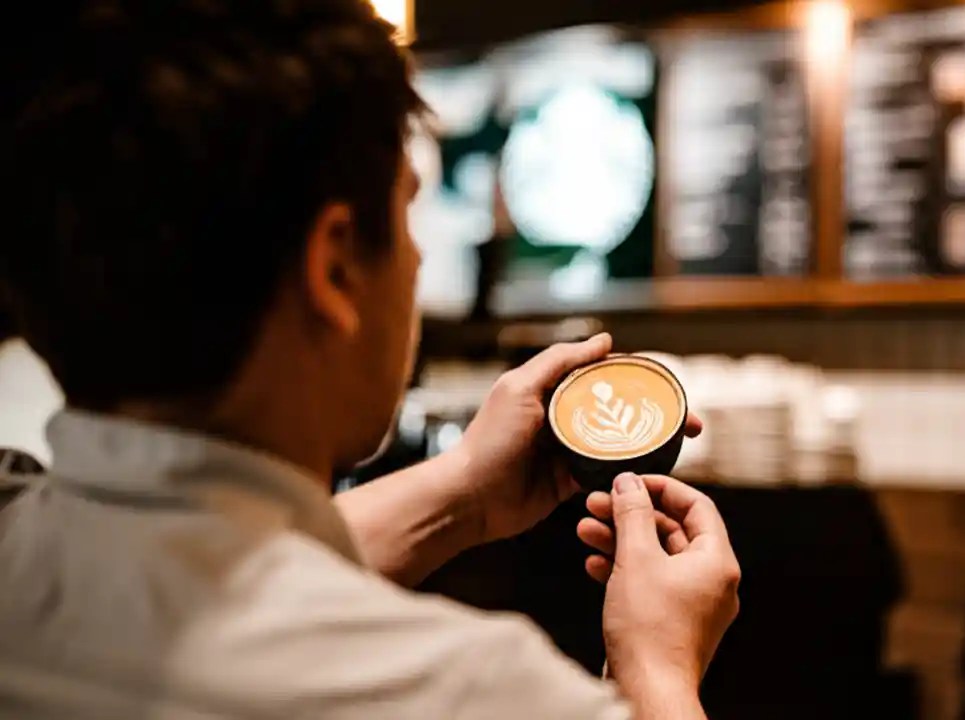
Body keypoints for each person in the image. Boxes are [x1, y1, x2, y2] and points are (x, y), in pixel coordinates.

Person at [0, 1, 740, 718]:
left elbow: (197, 570)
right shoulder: (471, 692)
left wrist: (466, 495)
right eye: (407, 211)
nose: (417, 258)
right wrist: (657, 671)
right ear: (336, 268)